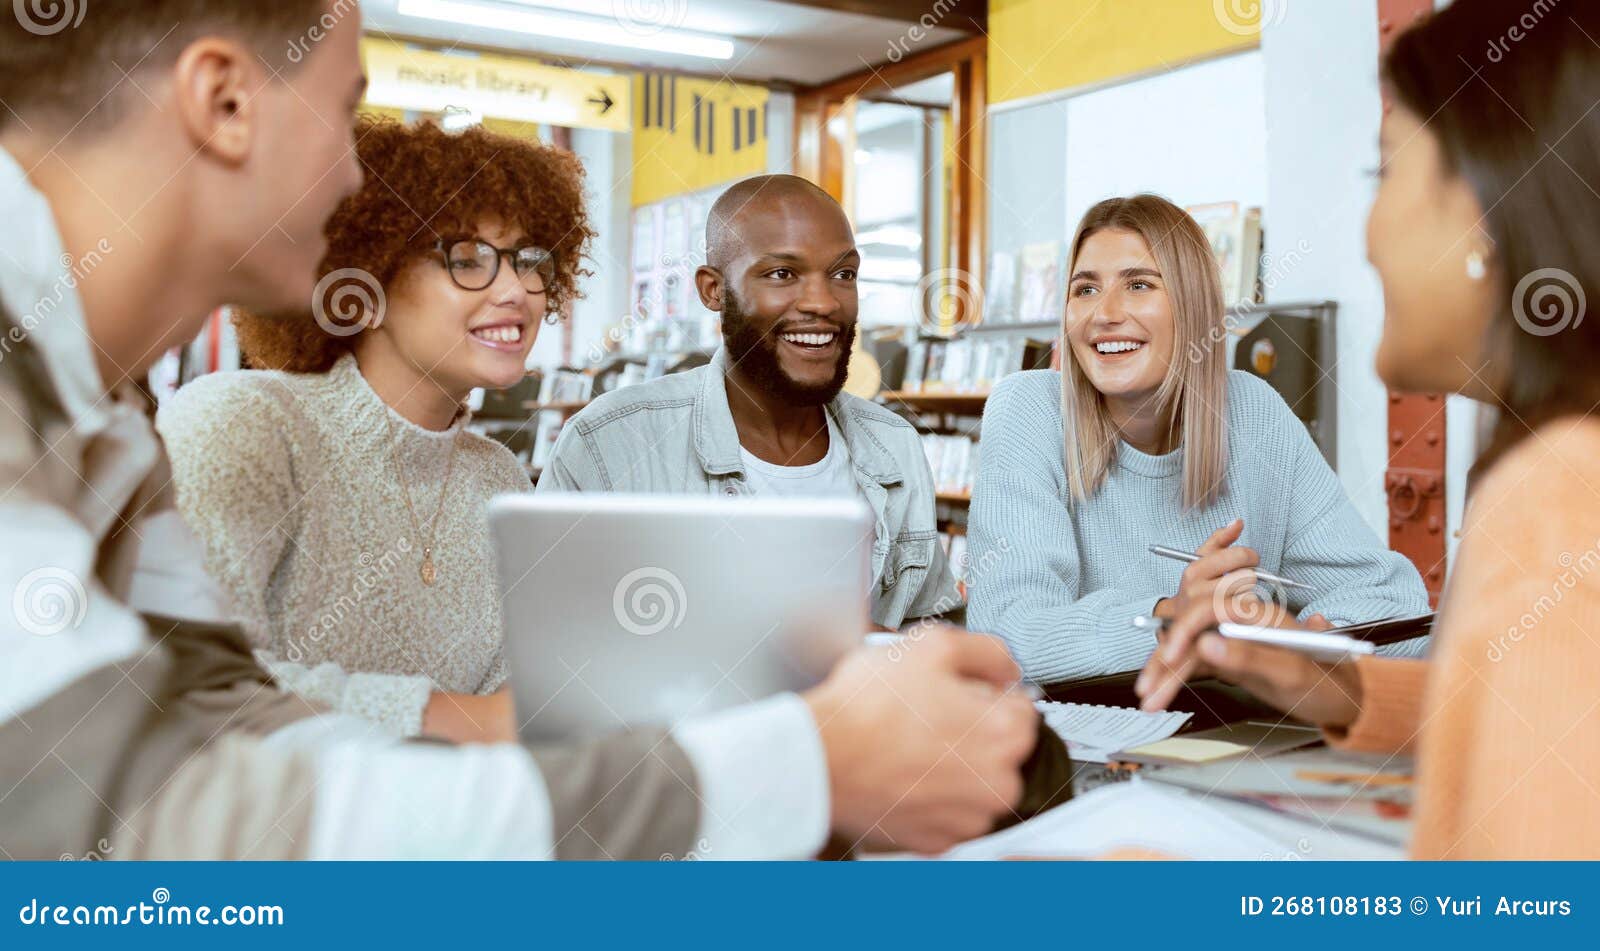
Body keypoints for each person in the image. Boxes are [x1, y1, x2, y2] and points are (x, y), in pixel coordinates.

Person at [0, 0, 1041, 861]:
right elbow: (139, 814)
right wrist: (797, 767)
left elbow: (221, 713)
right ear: (223, 102)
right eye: (342, 112)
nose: (354, 176)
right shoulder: (186, 415)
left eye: (532, 264)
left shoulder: (104, 415)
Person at [1135, 0, 1600, 858]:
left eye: (1383, 174)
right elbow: (1537, 724)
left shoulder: (1555, 497)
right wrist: (1336, 685)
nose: (1370, 235)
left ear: (1486, 209)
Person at [156, 116, 588, 743]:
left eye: (529, 261)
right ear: (368, 281)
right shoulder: (242, 423)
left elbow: (507, 696)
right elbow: (178, 676)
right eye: (466, 260)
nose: (516, 290)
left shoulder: (496, 475)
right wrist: (449, 717)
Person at [965, 193, 1428, 683]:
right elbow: (1006, 635)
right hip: (1082, 743)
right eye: (1084, 290)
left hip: (1233, 735)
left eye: (1138, 284)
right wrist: (1173, 617)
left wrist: (1302, 645)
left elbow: (1392, 601)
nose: (1104, 313)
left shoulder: (1253, 410)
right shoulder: (1029, 409)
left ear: (1194, 307)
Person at [537, 174, 960, 630]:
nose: (823, 303)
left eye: (843, 274)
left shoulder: (893, 444)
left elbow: (931, 630)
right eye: (782, 273)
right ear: (713, 290)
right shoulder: (609, 442)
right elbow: (548, 642)